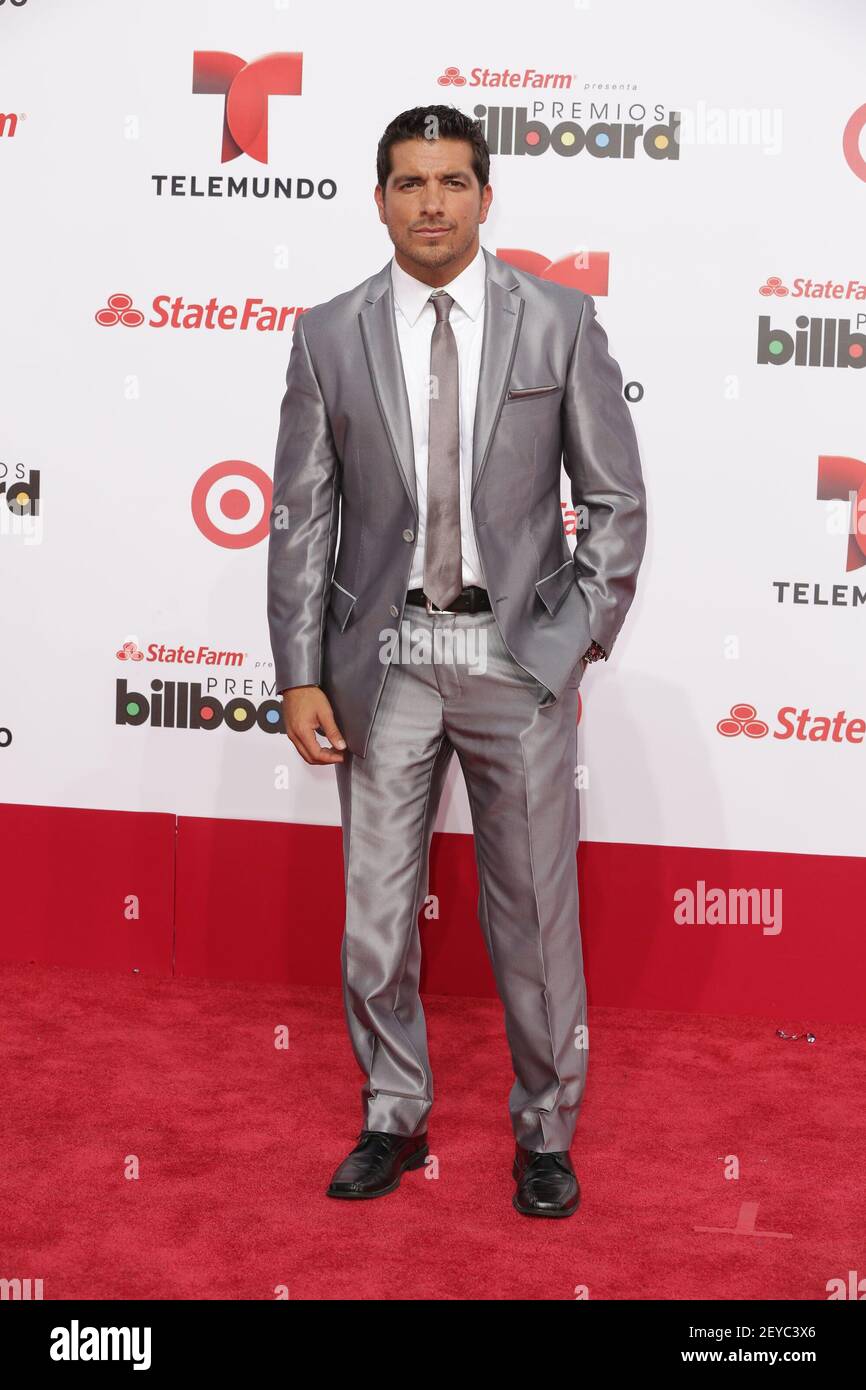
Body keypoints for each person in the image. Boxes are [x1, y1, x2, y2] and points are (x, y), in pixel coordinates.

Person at [267, 104, 646, 1218]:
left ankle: (543, 1130)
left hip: (511, 658)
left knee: (530, 915)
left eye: (449, 181)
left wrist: (567, 644)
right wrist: (298, 669)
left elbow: (614, 502)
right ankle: (393, 1113)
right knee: (375, 914)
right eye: (407, 182)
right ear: (378, 196)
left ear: (485, 195)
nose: (429, 201)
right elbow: (301, 517)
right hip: (378, 662)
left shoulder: (558, 322)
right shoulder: (326, 333)